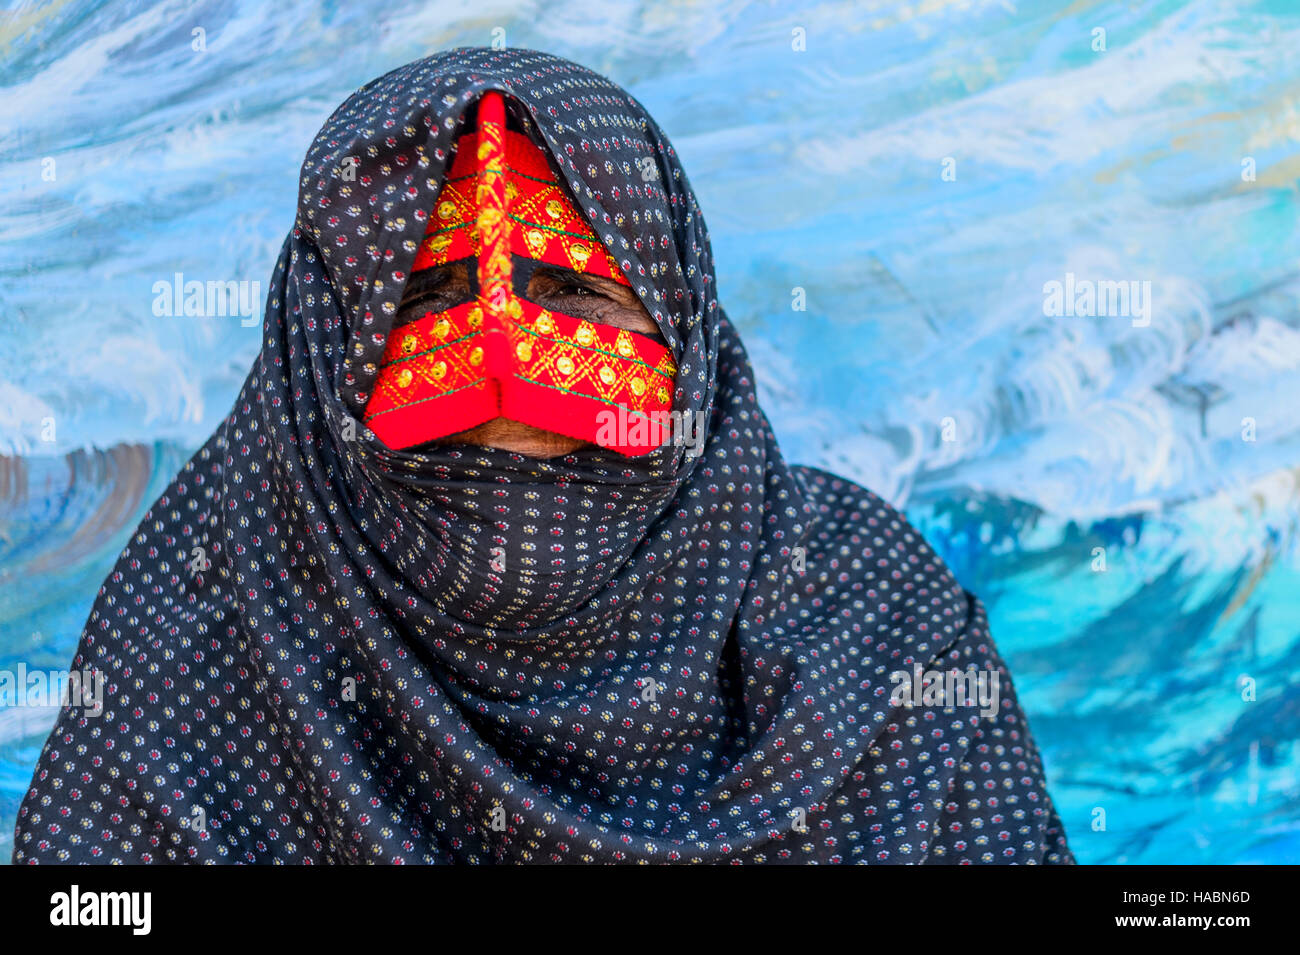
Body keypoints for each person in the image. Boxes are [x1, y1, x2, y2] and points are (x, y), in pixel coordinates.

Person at [12, 47, 1073, 864]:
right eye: (426, 305)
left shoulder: (873, 617)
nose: (511, 391)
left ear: (679, 323)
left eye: (574, 296)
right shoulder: (194, 652)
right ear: (318, 351)